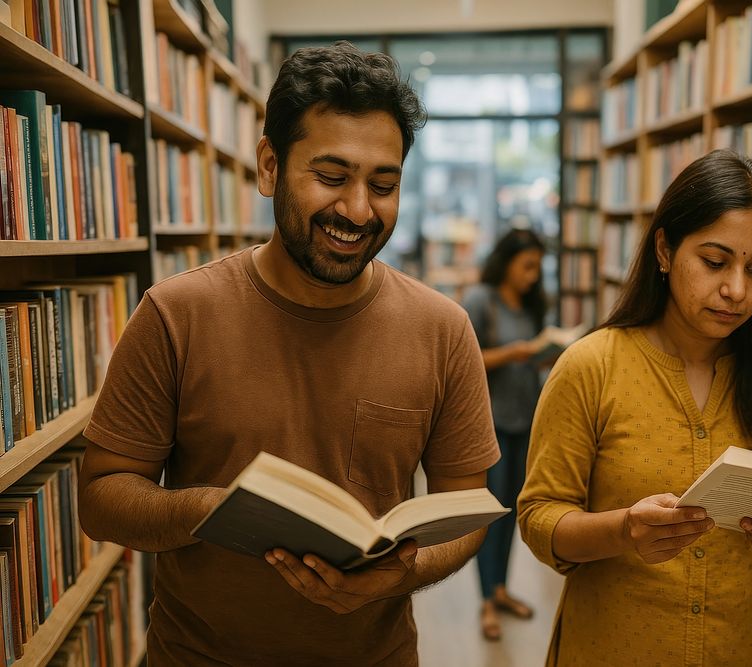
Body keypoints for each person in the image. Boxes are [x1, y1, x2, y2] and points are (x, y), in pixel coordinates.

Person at [78, 42, 500, 666]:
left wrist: (402, 574)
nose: (358, 211)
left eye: (383, 185)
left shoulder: (443, 329)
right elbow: (101, 497)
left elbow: (466, 512)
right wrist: (212, 510)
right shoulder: (176, 315)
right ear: (270, 166)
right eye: (331, 178)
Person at [517, 149, 752, 666]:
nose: (735, 290)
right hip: (616, 648)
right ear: (665, 251)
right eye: (714, 262)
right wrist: (624, 529)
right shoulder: (591, 366)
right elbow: (539, 519)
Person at [462, 228, 547, 640]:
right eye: (527, 265)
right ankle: (483, 601)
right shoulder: (481, 300)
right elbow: (463, 358)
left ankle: (500, 590)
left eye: (538, 267)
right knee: (489, 518)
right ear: (507, 261)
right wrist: (515, 352)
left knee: (514, 512)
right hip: (489, 426)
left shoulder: (531, 305)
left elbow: (533, 354)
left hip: (525, 421)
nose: (533, 275)